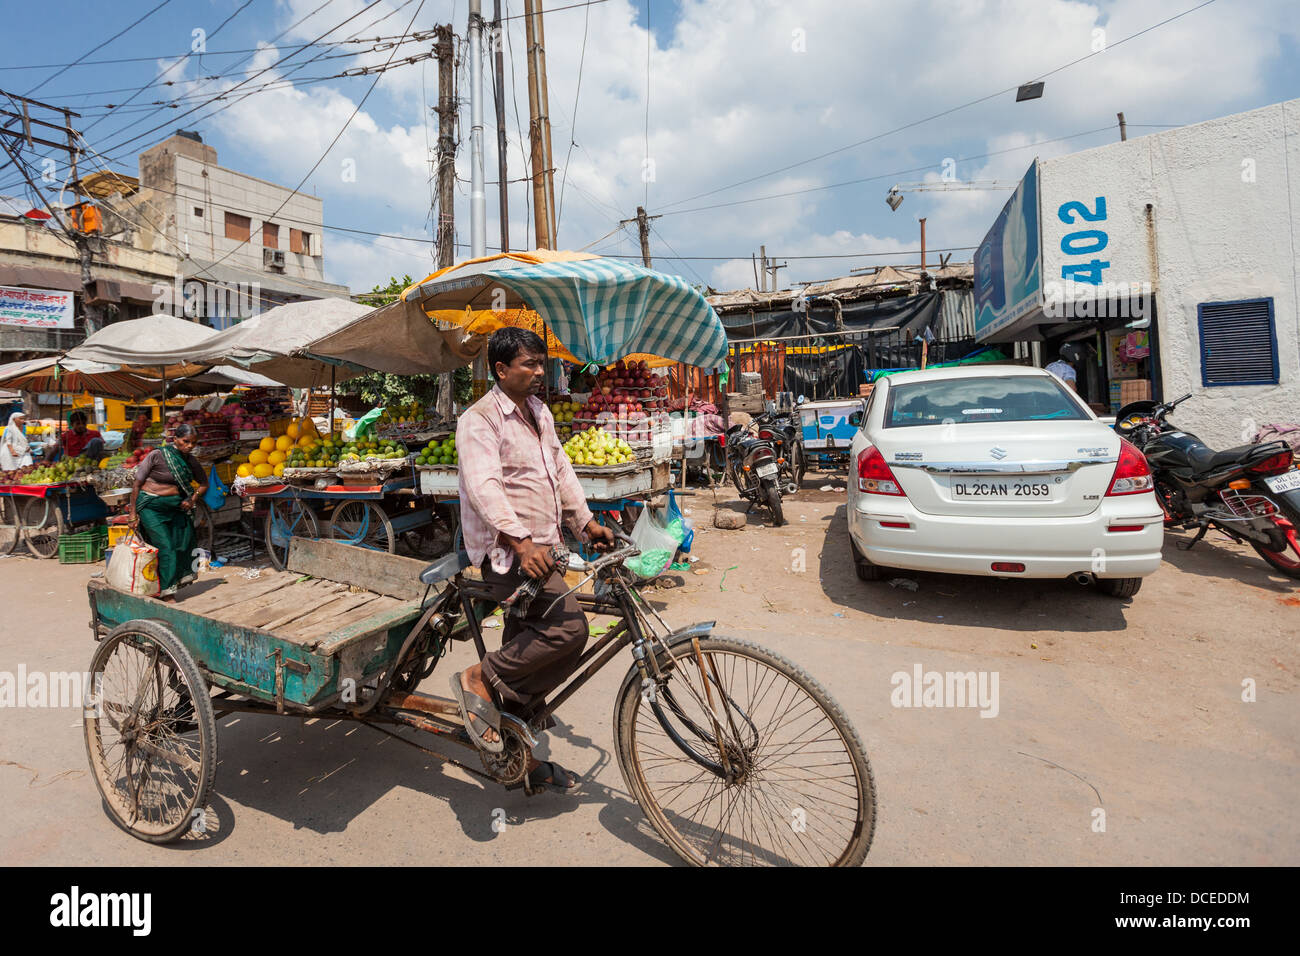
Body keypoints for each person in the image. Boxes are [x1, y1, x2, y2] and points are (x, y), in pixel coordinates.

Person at [451, 327, 615, 793]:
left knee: (535, 654)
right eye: (530, 364)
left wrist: (586, 525)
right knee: (569, 629)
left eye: (542, 363)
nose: (541, 372)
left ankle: (519, 754)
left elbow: (560, 472)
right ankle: (478, 677)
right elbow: (485, 487)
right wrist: (521, 542)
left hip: (546, 551)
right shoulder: (480, 420)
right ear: (501, 370)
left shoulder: (540, 412)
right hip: (508, 556)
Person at [127, 423, 208, 601]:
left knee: (182, 544)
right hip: (151, 508)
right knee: (166, 546)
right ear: (175, 439)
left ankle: (163, 583)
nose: (189, 446)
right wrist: (132, 514)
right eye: (186, 441)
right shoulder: (157, 455)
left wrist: (192, 499)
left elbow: (203, 484)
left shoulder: (191, 461)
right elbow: (137, 484)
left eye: (193, 443)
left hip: (176, 509)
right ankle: (167, 592)